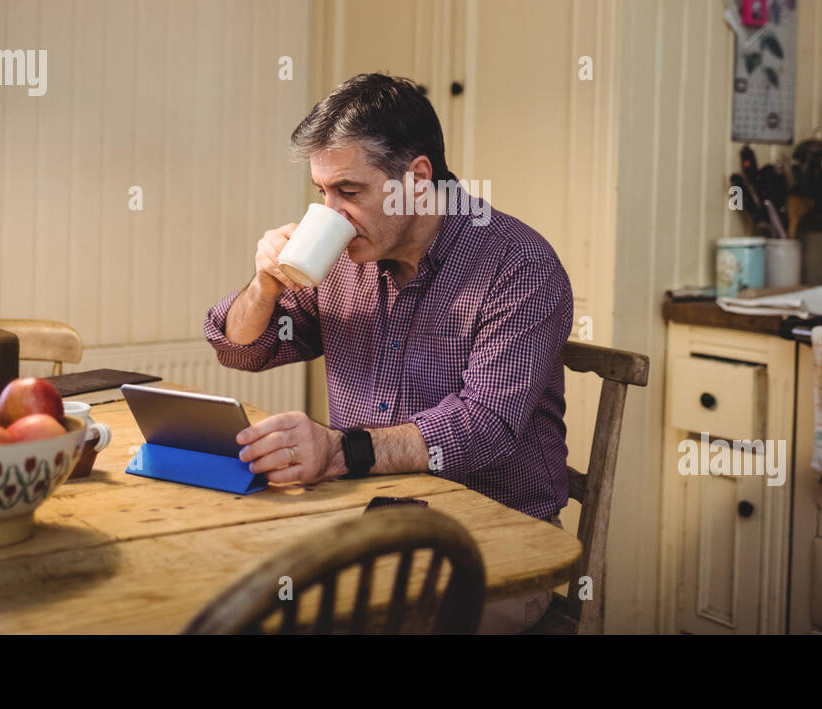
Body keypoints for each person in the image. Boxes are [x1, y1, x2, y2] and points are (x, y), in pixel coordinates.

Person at [203, 72, 573, 633]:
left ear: (416, 179)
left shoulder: (517, 266)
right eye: (321, 194)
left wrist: (338, 451)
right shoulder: (345, 258)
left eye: (348, 192)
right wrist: (264, 286)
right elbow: (243, 351)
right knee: (226, 587)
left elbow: (488, 424)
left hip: (490, 549)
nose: (329, 213)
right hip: (365, 524)